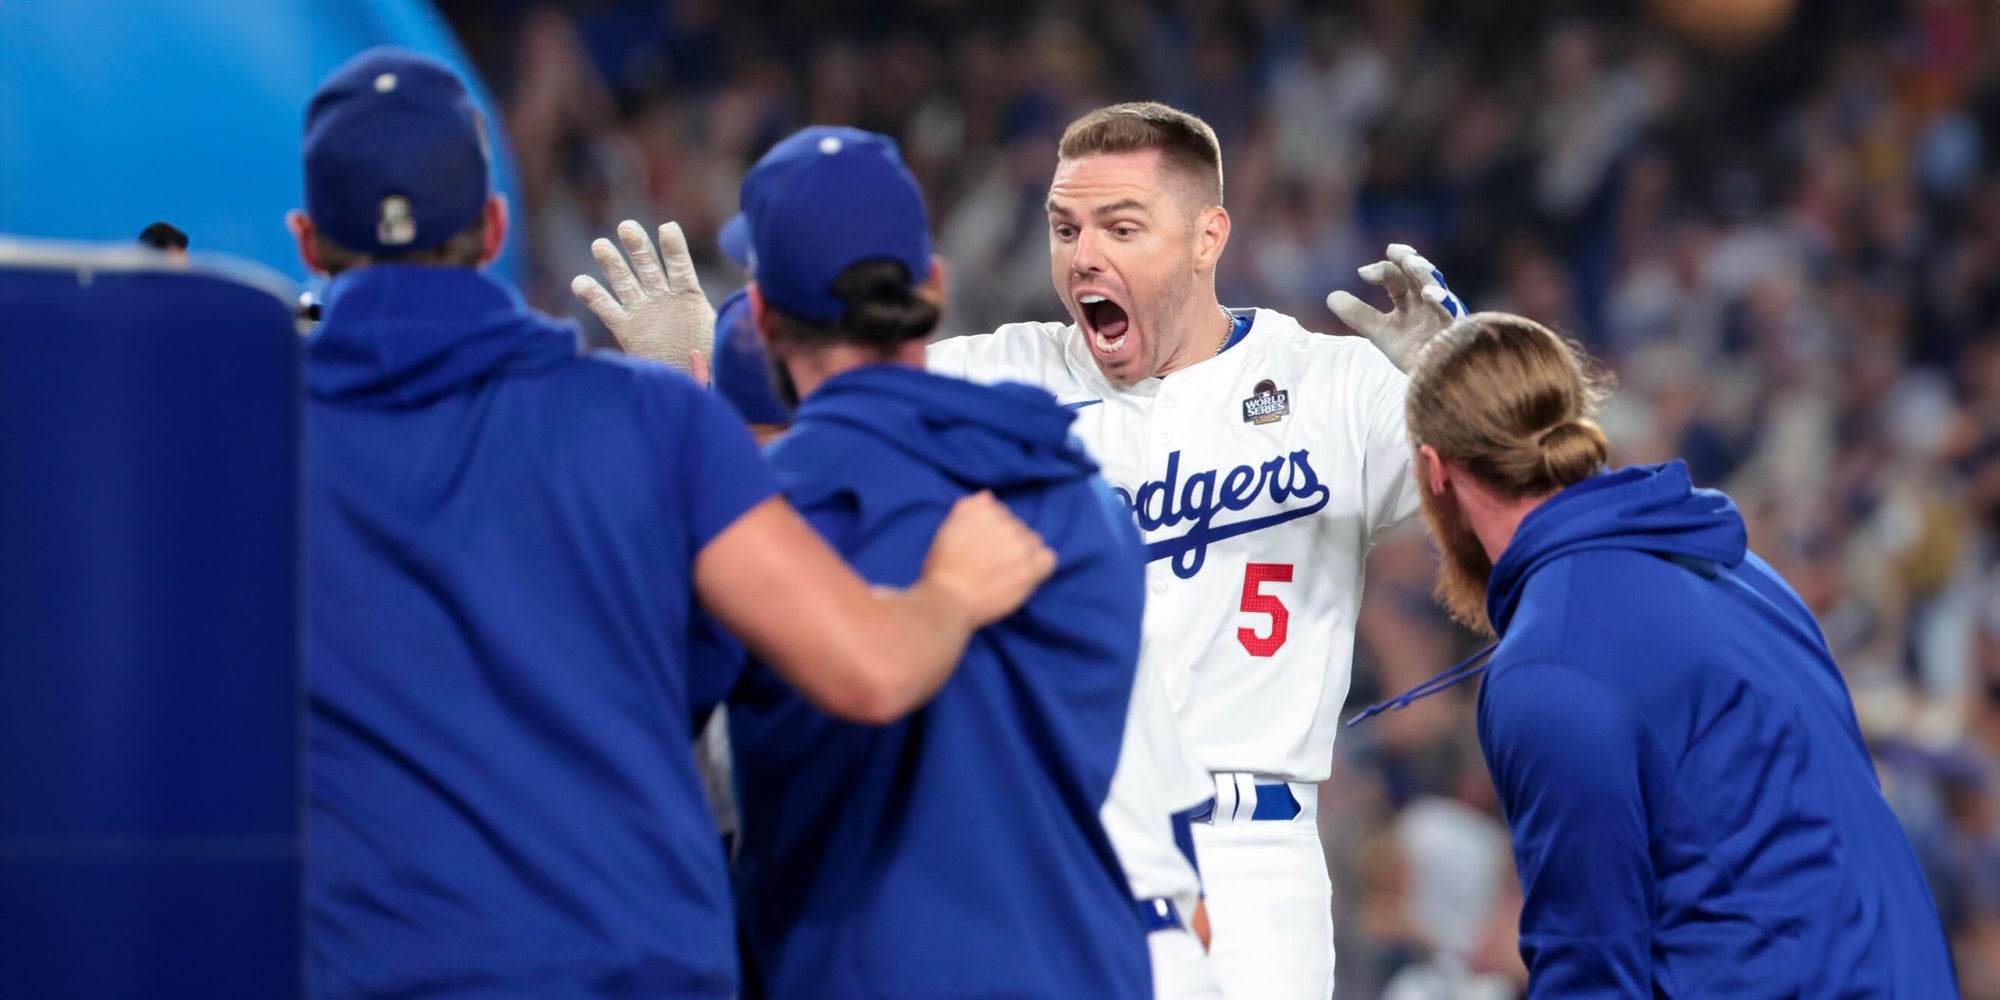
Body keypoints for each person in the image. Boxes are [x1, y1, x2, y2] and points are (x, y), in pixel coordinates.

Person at [581, 101, 1462, 1000]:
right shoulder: (994, 376)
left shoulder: (1334, 382)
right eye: (1065, 227)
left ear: (1208, 238)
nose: (1084, 255)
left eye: (1121, 226)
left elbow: (1523, 495)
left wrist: (1466, 384)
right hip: (1046, 828)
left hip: (1254, 854)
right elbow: (820, 417)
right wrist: (711, 372)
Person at [295, 49, 1054, 1000]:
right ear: (493, 227)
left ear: (307, 240)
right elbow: (868, 671)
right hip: (629, 965)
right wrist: (948, 590)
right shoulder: (653, 423)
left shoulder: (235, 449)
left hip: (373, 966)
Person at [1370, 310, 1957, 996]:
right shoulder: (1740, 570)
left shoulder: (1547, 669)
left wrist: (1461, 386)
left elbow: (1591, 973)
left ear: (1434, 473)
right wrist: (1477, 370)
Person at [693, 124, 1150, 1000]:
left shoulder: (747, 522)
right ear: (932, 290)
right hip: (1084, 970)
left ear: (758, 316)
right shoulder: (1080, 499)